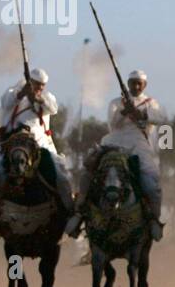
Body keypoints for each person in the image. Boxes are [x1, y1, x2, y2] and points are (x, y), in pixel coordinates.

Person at [67, 70, 168, 241]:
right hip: (114, 140)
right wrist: (124, 111)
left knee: (152, 182)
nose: (135, 86)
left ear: (144, 85)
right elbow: (112, 124)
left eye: (139, 83)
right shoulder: (115, 102)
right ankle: (80, 213)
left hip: (139, 144)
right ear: (127, 84)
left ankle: (153, 220)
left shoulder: (152, 103)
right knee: (88, 169)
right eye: (133, 83)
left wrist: (140, 113)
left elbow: (161, 118)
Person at [0, 68, 74, 216]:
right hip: (14, 145)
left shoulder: (47, 97)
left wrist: (37, 98)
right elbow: (5, 103)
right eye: (36, 84)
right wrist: (22, 94)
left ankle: (70, 213)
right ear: (29, 81)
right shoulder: (13, 93)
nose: (39, 87)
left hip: (41, 148)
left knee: (61, 177)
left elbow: (53, 108)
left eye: (42, 85)